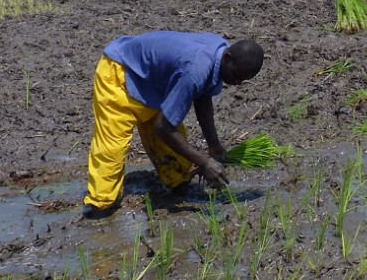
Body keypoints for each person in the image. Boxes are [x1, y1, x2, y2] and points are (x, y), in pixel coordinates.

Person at [82, 32, 265, 219]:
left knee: (173, 157)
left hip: (153, 83)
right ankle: (100, 208)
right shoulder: (195, 69)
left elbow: (202, 95)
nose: (237, 82)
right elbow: (163, 127)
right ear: (228, 58)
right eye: (236, 75)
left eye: (242, 80)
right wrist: (203, 162)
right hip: (121, 73)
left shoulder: (219, 52)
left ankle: (178, 183)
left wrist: (214, 144)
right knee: (112, 147)